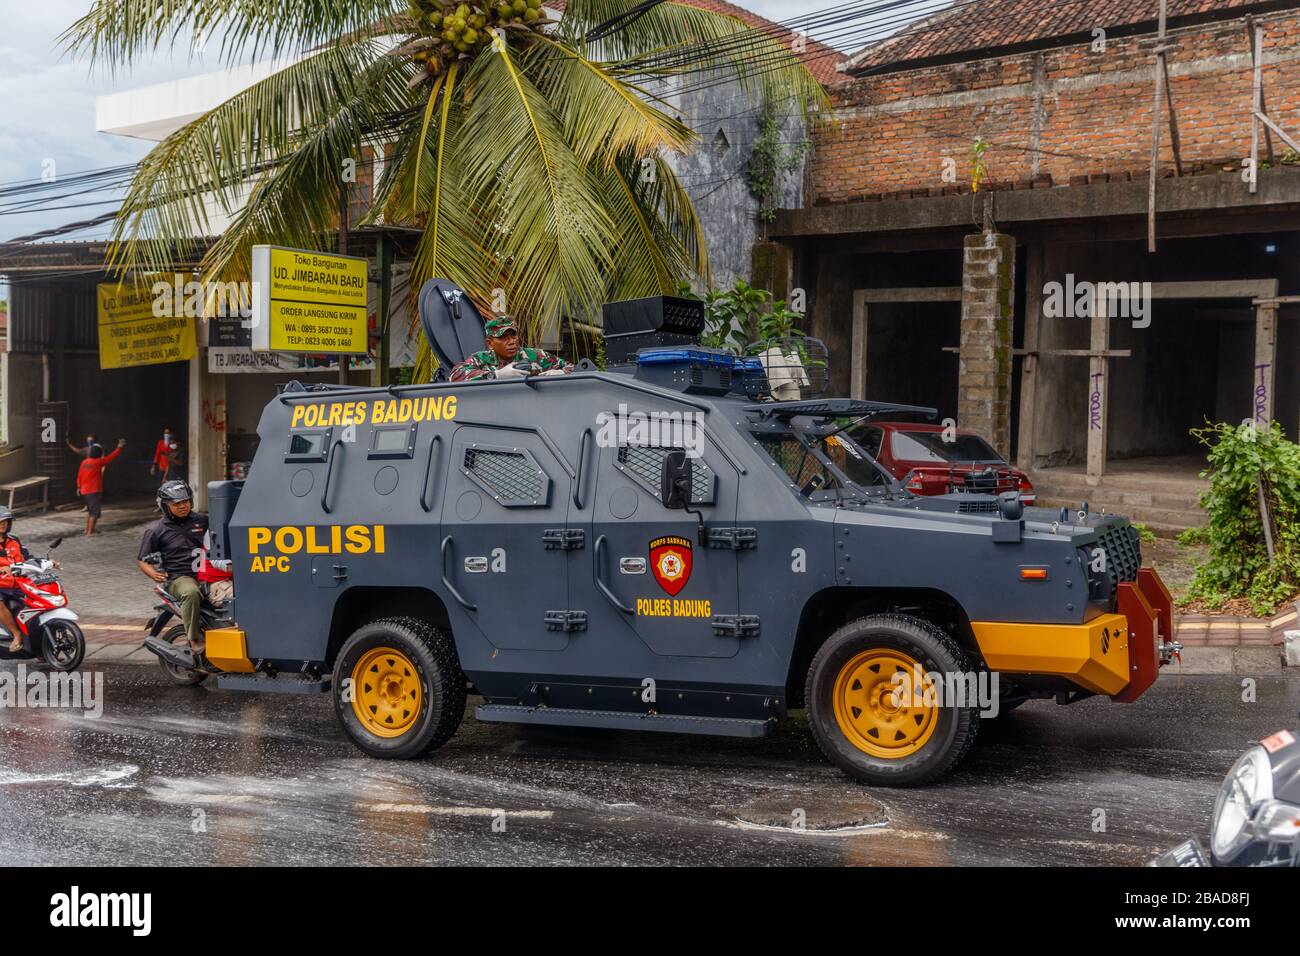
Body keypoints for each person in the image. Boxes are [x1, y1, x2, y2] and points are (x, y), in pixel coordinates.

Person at [136, 480, 209, 656]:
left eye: (185, 501)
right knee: (191, 592)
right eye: (177, 504)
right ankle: (194, 638)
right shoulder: (156, 530)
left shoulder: (203, 520)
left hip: (208, 573)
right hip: (179, 578)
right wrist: (153, 573)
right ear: (165, 506)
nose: (183, 506)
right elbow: (142, 560)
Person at [449, 316, 574, 382]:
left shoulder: (536, 356)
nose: (511, 341)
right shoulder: (481, 359)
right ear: (490, 343)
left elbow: (574, 368)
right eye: (503, 337)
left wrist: (562, 373)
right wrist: (497, 375)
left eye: (513, 335)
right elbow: (455, 376)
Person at [0, 506, 34, 652]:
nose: (3, 524)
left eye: (6, 521)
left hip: (19, 584)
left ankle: (39, 646)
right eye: (0, 521)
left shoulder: (14, 540)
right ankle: (17, 634)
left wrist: (47, 562)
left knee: (35, 605)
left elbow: (28, 557)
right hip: (1, 585)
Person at [76, 439, 126, 536]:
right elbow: (111, 457)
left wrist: (78, 487)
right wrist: (119, 448)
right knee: (94, 512)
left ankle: (88, 530)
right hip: (93, 490)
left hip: (84, 490)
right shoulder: (98, 462)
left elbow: (79, 476)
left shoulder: (84, 462)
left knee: (91, 512)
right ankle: (89, 533)